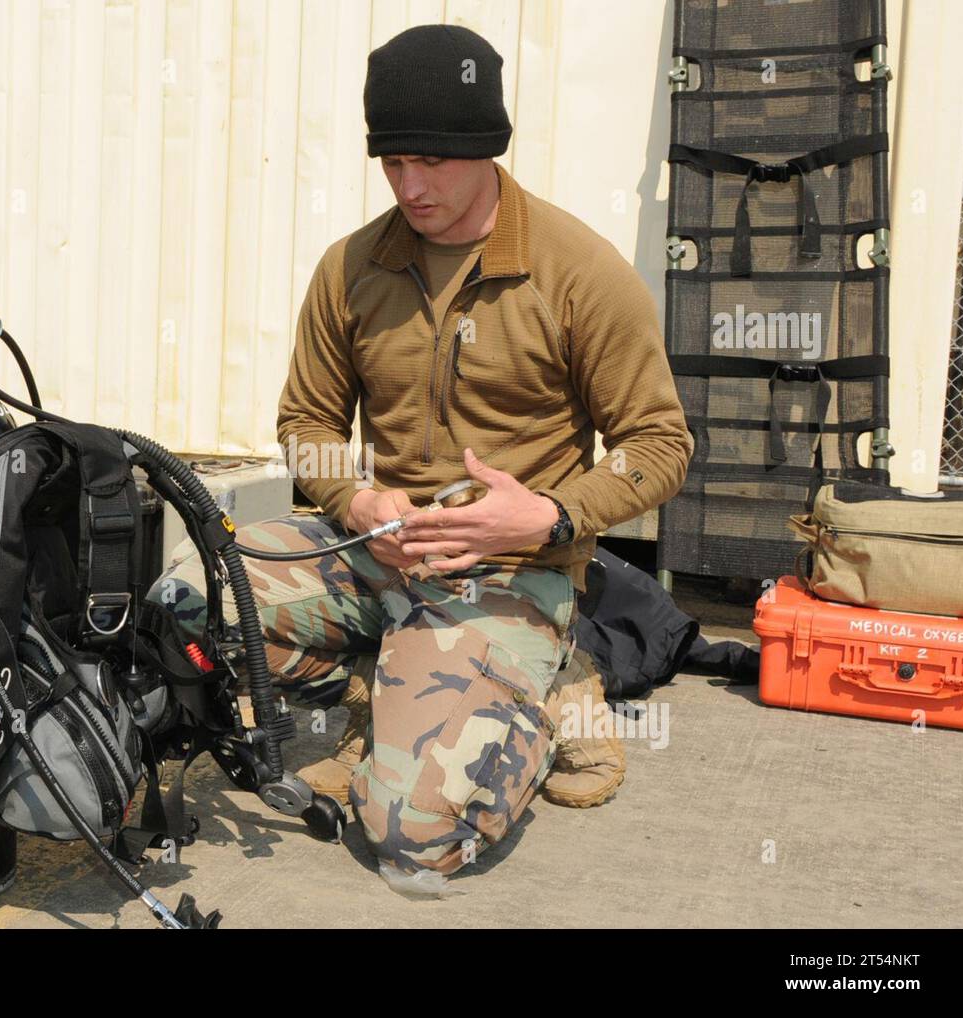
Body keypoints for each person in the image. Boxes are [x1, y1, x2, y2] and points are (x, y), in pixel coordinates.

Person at [148, 24, 693, 882]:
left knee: (409, 840)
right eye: (393, 162)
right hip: (373, 559)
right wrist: (358, 504)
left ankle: (547, 691)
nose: (411, 184)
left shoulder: (578, 272)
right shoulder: (353, 267)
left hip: (511, 574)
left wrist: (549, 515)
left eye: (432, 161)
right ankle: (387, 679)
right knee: (179, 600)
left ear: (486, 147)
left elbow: (659, 445)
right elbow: (306, 425)